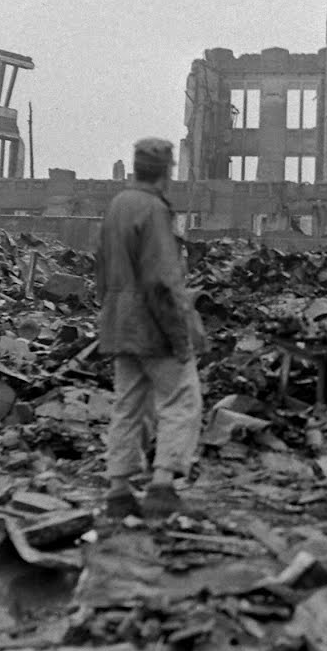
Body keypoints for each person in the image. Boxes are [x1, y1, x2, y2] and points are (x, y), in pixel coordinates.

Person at [95, 137, 202, 518]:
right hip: (152, 324)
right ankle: (162, 486)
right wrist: (180, 336)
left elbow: (101, 268)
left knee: (128, 405)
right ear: (166, 171)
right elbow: (162, 280)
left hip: (118, 323)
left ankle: (119, 491)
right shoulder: (154, 210)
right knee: (181, 399)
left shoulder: (118, 204)